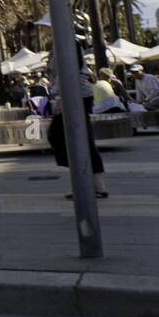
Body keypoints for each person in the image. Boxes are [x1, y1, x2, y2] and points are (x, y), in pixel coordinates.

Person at [48, 33, 109, 198]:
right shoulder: (61, 40)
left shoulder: (67, 40)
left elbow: (69, 69)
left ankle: (94, 185)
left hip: (76, 95)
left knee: (75, 138)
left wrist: (62, 98)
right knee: (66, 138)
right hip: (74, 95)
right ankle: (85, 182)